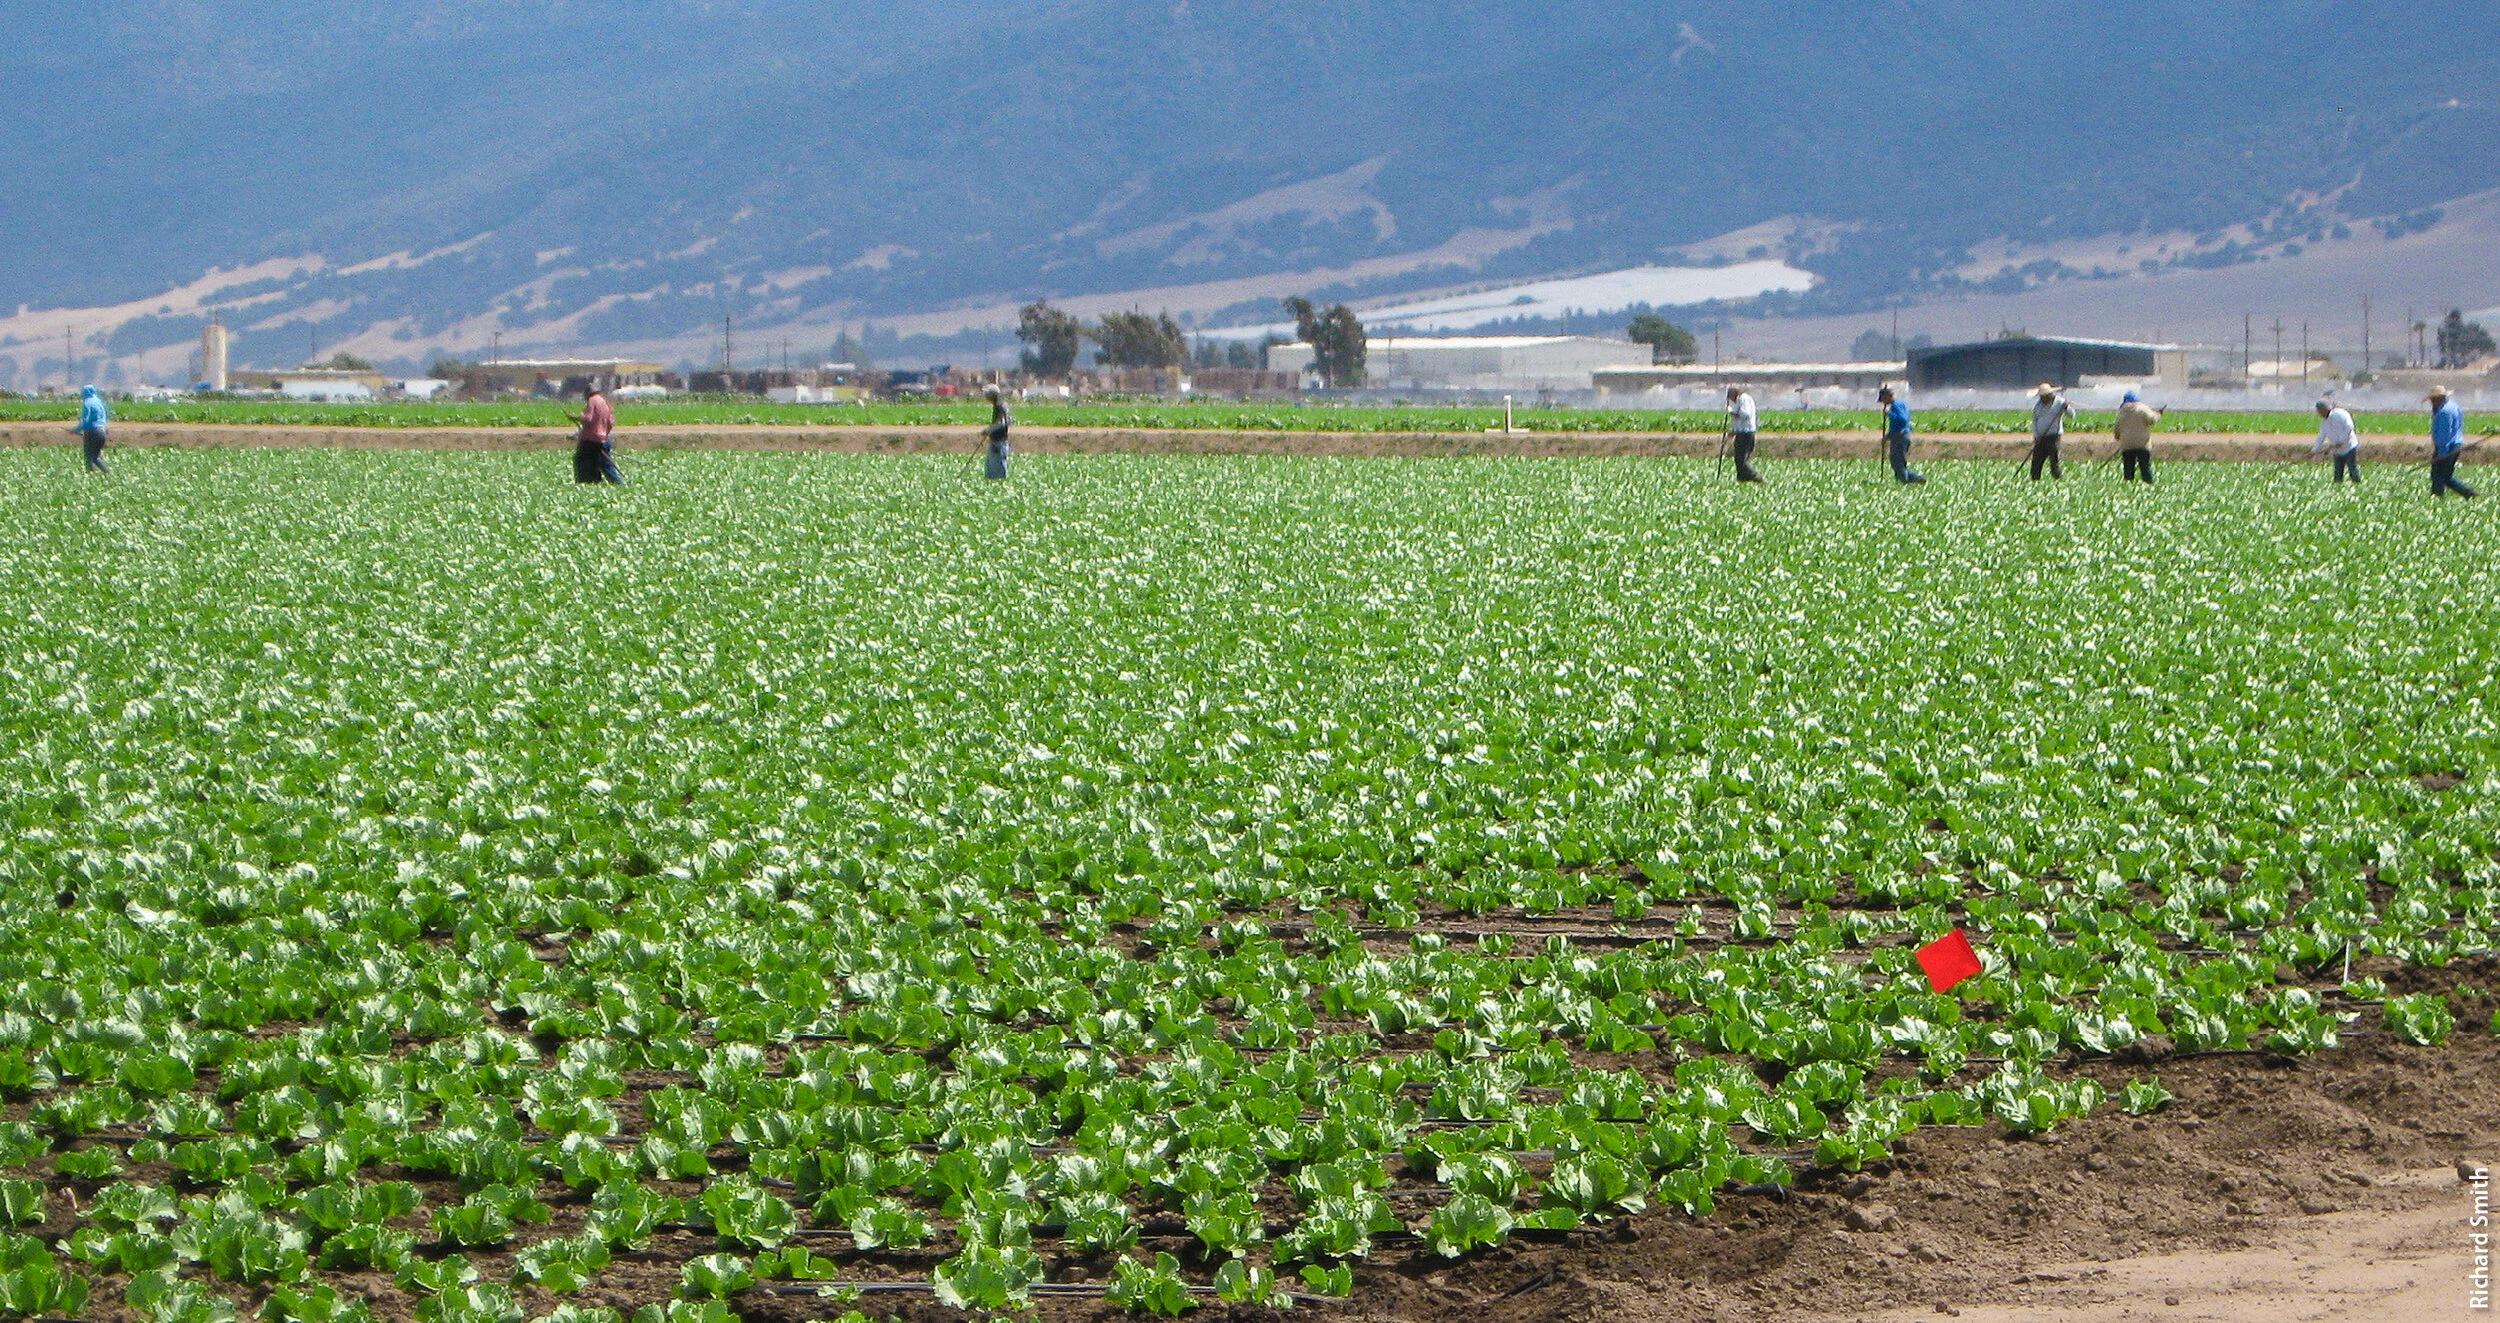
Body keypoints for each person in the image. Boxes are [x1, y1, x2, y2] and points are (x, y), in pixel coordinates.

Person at [2429, 385, 2477, 499]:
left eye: (2433, 400)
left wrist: (2442, 452)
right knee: (2445, 475)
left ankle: (2438, 497)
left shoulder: (2444, 412)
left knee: (2438, 476)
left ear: (2438, 399)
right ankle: (2468, 493)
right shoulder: (2454, 406)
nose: (2431, 402)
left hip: (2447, 447)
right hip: (2455, 445)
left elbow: (2445, 434)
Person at [570, 382, 621, 485]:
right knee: (605, 464)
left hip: (591, 440)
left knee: (582, 461)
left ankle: (587, 482)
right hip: (604, 439)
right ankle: (615, 483)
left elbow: (588, 419)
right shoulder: (604, 402)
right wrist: (604, 434)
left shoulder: (592, 401)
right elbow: (611, 422)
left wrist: (577, 417)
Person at [2028, 383, 2076, 480]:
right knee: (2036, 463)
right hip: (2041, 438)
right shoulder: (2038, 405)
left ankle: (2058, 480)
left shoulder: (2060, 402)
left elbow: (2072, 415)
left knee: (2054, 462)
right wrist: (2036, 436)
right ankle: (2035, 481)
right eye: (2041, 397)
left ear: (2049, 395)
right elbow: (2035, 421)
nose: (2043, 398)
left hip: (2053, 437)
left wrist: (2067, 407)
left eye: (2044, 396)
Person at [1877, 385, 1923, 483]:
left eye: (1884, 400)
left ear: (1888, 396)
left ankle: (1905, 481)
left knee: (1898, 463)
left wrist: (1889, 414)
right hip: (1899, 436)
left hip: (1900, 437)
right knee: (1896, 462)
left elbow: (1902, 420)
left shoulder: (1896, 405)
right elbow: (1896, 426)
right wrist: (1888, 436)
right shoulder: (1900, 404)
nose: (1884, 403)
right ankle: (1916, 479)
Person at [2114, 389, 2162, 484]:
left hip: (2127, 445)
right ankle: (2148, 484)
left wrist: (2118, 437)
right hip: (2142, 444)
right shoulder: (2142, 409)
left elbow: (2117, 428)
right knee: (2145, 467)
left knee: (2128, 469)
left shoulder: (2122, 411)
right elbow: (2152, 420)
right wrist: (2158, 415)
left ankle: (2128, 485)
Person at [2312, 399, 2360, 484]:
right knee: (2338, 473)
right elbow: (2321, 437)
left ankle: (2357, 485)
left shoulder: (2340, 414)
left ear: (2324, 409)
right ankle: (2338, 487)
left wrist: (2341, 441)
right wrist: (2315, 450)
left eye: (2319, 411)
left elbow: (2349, 427)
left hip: (2349, 446)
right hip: (2337, 450)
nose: (2319, 414)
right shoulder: (2324, 423)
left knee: (2352, 469)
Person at [1724, 386, 1762, 482]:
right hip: (1741, 433)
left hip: (1746, 433)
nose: (1730, 399)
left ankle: (1756, 477)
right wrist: (1732, 432)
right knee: (1738, 458)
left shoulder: (1743, 398)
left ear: (1734, 393)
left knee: (1742, 459)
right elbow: (1738, 422)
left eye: (1730, 396)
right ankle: (1742, 478)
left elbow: (1745, 414)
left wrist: (1732, 412)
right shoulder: (1738, 401)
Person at [72, 385, 109, 473]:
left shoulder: (88, 403)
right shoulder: (99, 402)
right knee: (94, 456)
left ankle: (104, 472)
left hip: (92, 433)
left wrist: (76, 429)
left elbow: (86, 420)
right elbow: (104, 418)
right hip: (101, 432)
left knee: (91, 457)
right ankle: (94, 474)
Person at [982, 387, 1012, 480]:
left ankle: (1000, 481)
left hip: (999, 441)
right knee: (992, 464)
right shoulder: (1001, 405)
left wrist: (989, 430)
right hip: (997, 440)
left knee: (997, 465)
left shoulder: (999, 406)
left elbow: (1002, 422)